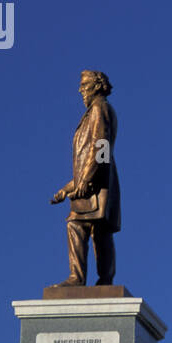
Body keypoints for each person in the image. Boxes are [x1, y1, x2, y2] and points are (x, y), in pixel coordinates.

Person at [50, 70, 121, 286]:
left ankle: (77, 278)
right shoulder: (97, 111)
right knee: (99, 231)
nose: (81, 90)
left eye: (85, 85)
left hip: (96, 183)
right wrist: (66, 189)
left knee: (76, 224)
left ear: (97, 86)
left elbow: (102, 145)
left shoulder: (99, 109)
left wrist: (87, 180)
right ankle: (105, 279)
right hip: (98, 180)